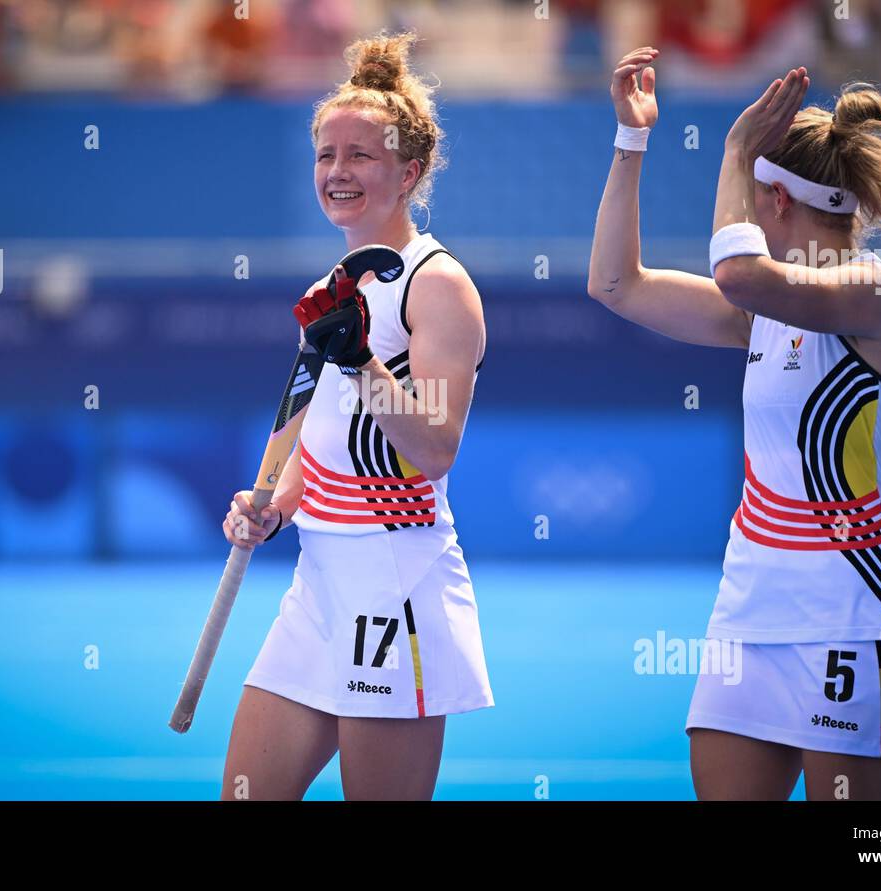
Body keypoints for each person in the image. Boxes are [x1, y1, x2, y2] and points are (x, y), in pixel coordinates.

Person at [589, 48, 881, 800]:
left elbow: (738, 271)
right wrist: (631, 140)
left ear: (774, 200)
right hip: (749, 614)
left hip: (848, 620)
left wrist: (737, 149)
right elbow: (615, 284)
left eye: (751, 188)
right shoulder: (758, 319)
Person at [218, 31, 492, 801]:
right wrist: (274, 507)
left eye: (360, 155)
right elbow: (322, 437)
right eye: (325, 154)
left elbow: (434, 448)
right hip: (318, 583)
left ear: (408, 172)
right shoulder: (332, 284)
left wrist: (361, 360)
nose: (337, 172)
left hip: (394, 583)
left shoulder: (438, 286)